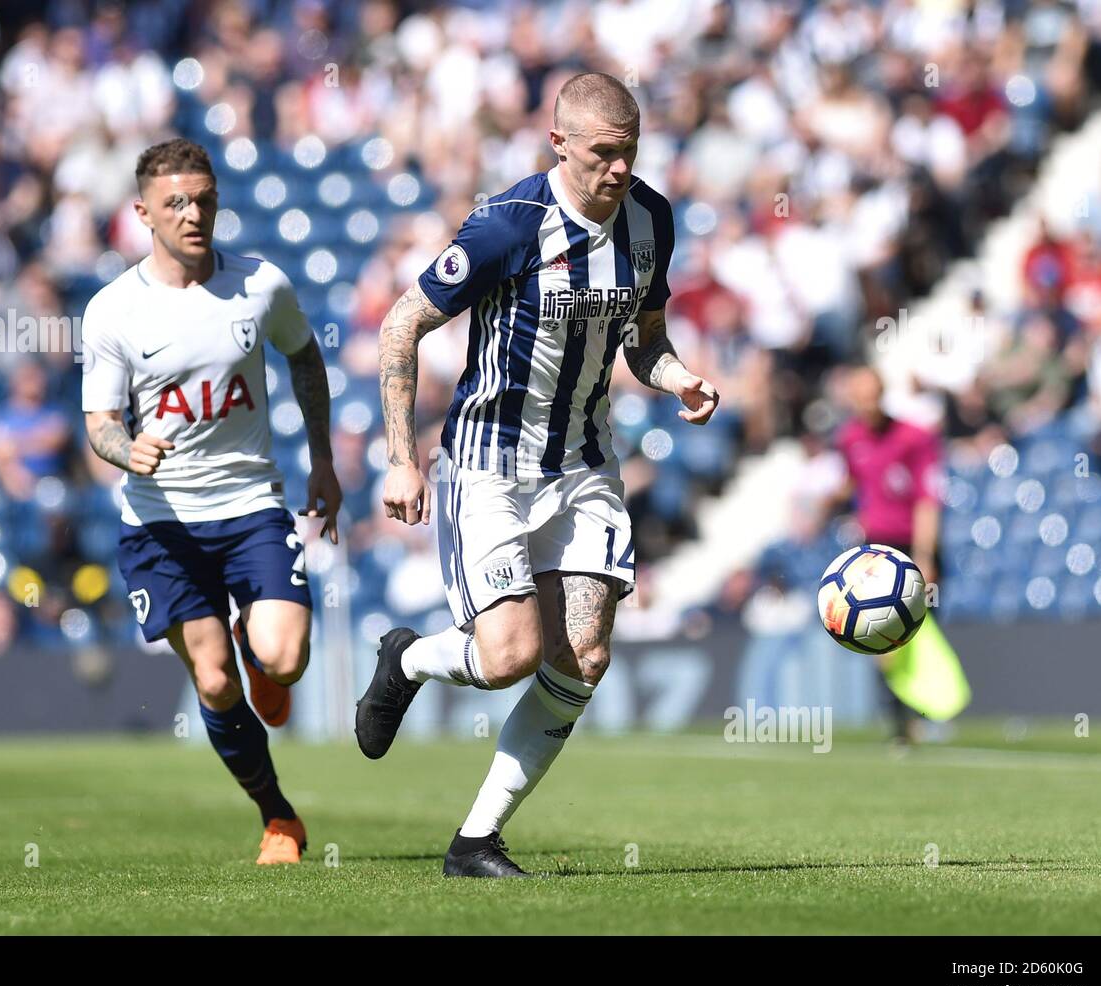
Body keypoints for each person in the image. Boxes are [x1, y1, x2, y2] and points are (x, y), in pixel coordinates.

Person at [356, 73, 719, 876]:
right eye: (604, 154)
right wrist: (398, 456)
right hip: (488, 465)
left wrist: (677, 377)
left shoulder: (653, 219)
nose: (620, 170)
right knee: (510, 655)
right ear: (561, 144)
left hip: (586, 462)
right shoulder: (507, 226)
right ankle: (408, 659)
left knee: (584, 655)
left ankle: (476, 841)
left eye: (630, 153)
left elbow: (645, 341)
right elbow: (401, 324)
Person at [80, 139, 341, 864]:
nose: (194, 215)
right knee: (214, 676)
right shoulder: (112, 311)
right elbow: (100, 422)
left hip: (252, 502)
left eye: (204, 200)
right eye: (176, 204)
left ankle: (265, 660)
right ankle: (278, 817)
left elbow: (304, 357)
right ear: (143, 213)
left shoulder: (261, 285)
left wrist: (322, 461)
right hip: (161, 520)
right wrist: (122, 449)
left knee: (282, 658)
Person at [832, 365, 946, 742]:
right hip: (876, 553)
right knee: (881, 638)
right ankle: (901, 722)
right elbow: (853, 481)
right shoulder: (849, 438)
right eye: (858, 397)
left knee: (919, 636)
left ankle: (923, 715)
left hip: (912, 549)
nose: (865, 404)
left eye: (871, 395)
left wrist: (925, 555)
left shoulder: (913, 437)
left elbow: (928, 499)